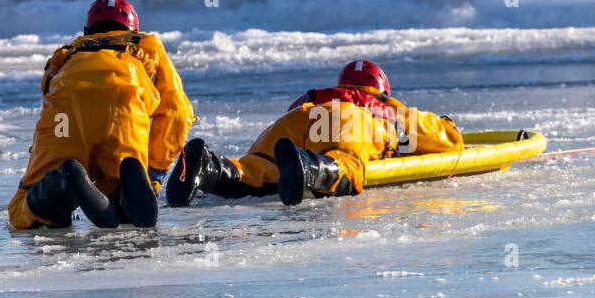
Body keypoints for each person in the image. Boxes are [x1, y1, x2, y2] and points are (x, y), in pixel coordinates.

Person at [8, 0, 194, 229]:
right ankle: (121, 198)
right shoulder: (146, 44)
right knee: (122, 182)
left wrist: (43, 159)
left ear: (88, 29)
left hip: (64, 117)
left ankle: (63, 183)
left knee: (23, 208)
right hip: (123, 110)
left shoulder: (67, 53)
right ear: (133, 27)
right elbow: (177, 111)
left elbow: (47, 99)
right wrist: (154, 173)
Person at [167, 60, 462, 208]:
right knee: (344, 161)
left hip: (299, 117)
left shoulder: (317, 94)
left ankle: (211, 168)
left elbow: (293, 109)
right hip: (345, 121)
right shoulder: (384, 107)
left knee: (258, 164)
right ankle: (309, 169)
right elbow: (437, 137)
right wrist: (448, 127)